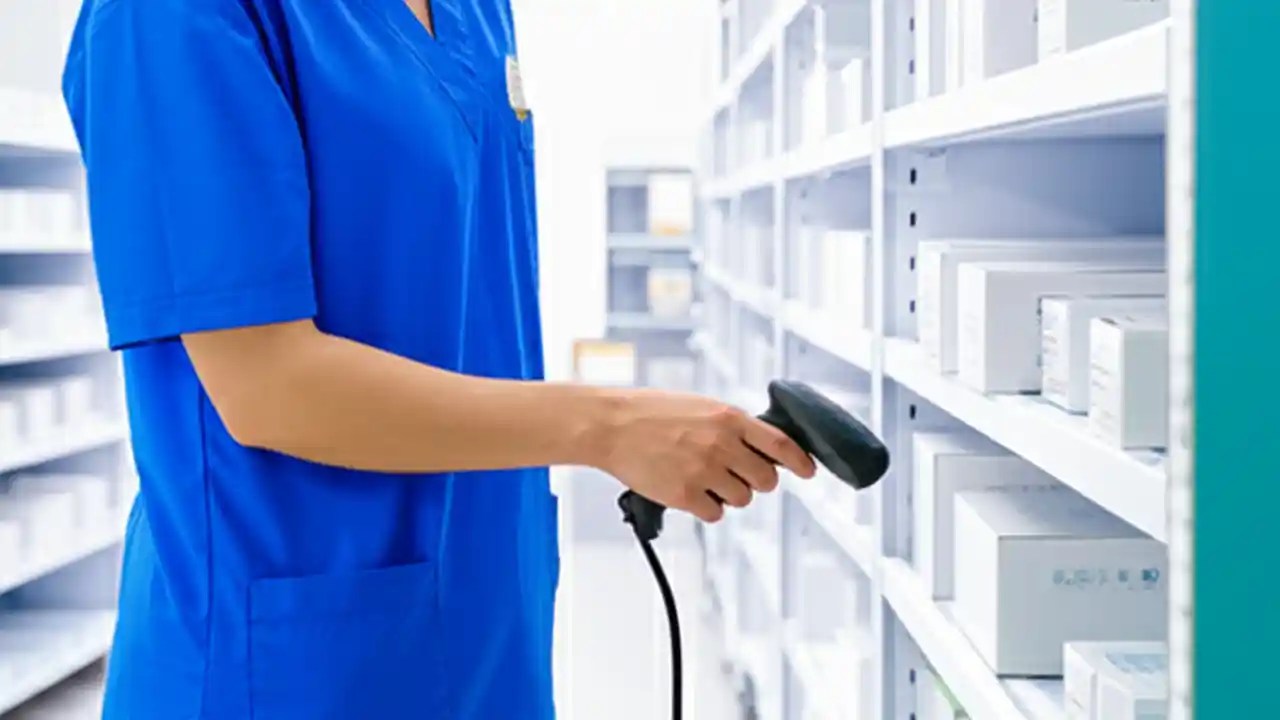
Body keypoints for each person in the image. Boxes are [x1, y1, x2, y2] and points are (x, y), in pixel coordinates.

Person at [62, 0, 815, 718]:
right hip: (288, 668)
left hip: (487, 633)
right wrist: (606, 426)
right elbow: (265, 385)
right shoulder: (166, 15)